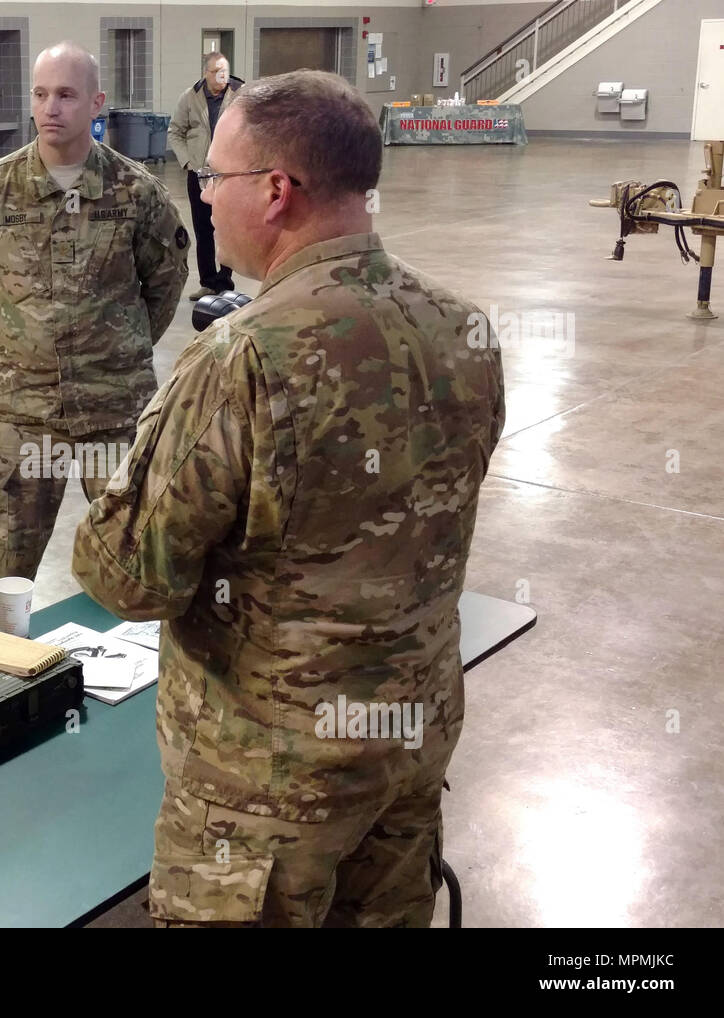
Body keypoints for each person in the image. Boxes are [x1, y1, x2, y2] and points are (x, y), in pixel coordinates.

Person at [72, 70, 506, 928]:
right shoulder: (465, 327)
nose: (202, 194)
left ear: (275, 192)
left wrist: (120, 485)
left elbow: (131, 579)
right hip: (407, 744)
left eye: (214, 178)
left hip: (268, 788)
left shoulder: (244, 358)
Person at [0, 41, 188, 630]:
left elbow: (166, 278)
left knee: (135, 567)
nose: (50, 108)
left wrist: (120, 348)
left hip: (116, 413)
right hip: (21, 414)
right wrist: (17, 343)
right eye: (40, 94)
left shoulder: (137, 194)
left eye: (65, 94)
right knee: (5, 571)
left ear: (96, 103)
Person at [168, 51, 242, 301]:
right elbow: (175, 132)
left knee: (228, 226)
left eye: (224, 70)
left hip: (230, 175)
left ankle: (226, 279)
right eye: (216, 71)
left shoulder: (240, 95)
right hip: (199, 174)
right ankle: (208, 282)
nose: (222, 76)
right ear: (206, 73)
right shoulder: (190, 97)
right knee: (203, 230)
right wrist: (188, 162)